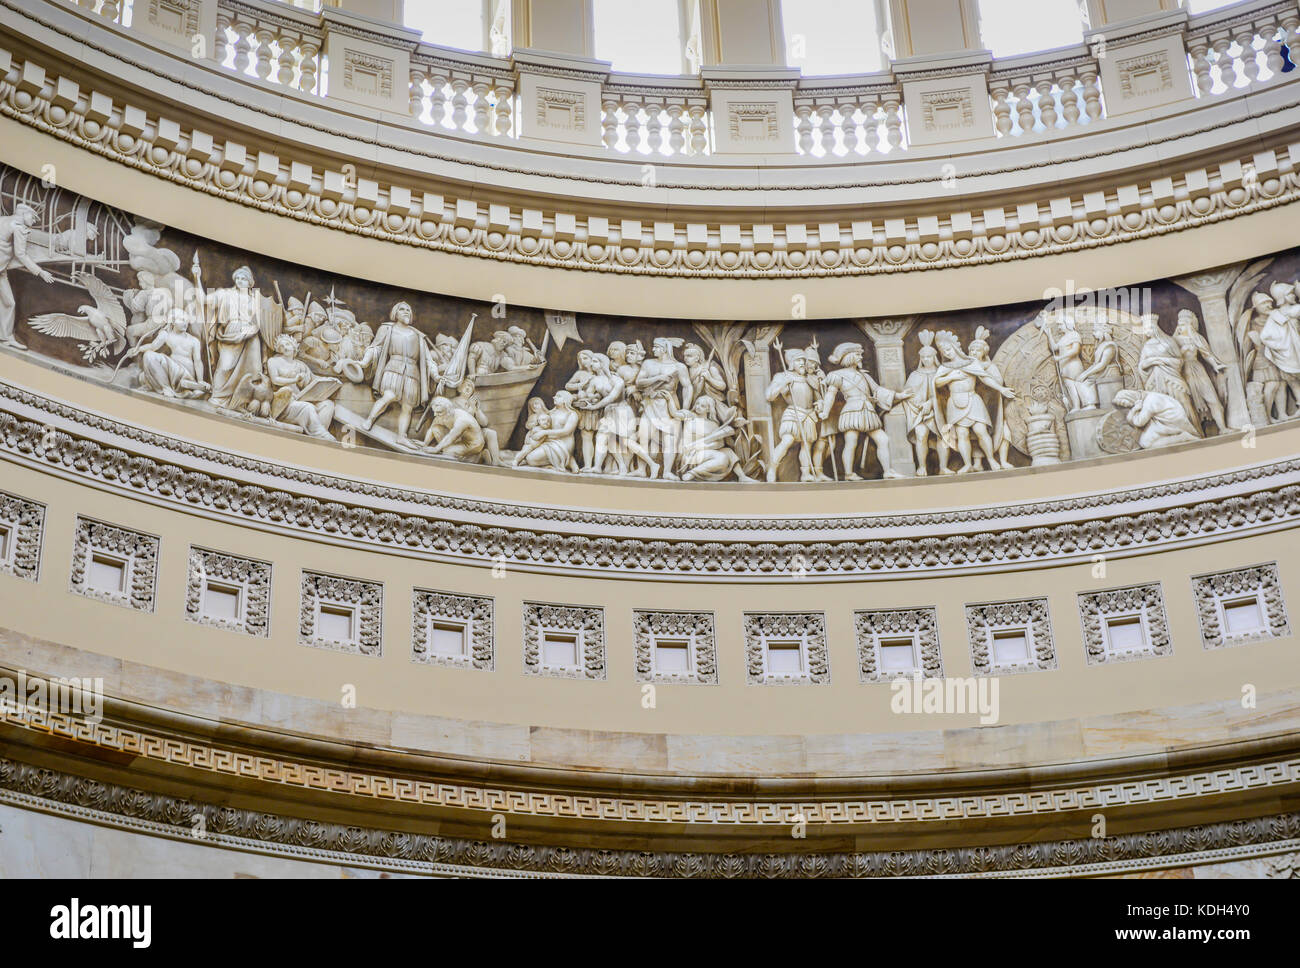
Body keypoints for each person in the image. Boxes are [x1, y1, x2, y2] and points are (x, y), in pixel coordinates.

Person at [819, 342, 910, 480]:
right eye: (857, 354)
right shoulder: (837, 375)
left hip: (867, 410)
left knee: (883, 439)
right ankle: (849, 474)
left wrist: (899, 396)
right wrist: (825, 411)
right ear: (848, 356)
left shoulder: (864, 375)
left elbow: (878, 391)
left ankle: (887, 471)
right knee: (851, 441)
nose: (861, 357)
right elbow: (830, 395)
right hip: (851, 410)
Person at [932, 330, 1016, 474]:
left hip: (973, 400)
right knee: (962, 434)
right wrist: (951, 377)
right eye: (943, 351)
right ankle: (967, 464)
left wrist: (1001, 389)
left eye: (948, 349)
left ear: (955, 347)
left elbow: (985, 377)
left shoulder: (971, 362)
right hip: (955, 403)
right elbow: (937, 383)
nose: (946, 353)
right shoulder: (944, 367)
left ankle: (991, 459)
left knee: (980, 431)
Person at [354, 301, 437, 443]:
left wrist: (436, 375)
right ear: (395, 313)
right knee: (388, 396)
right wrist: (364, 362)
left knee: (407, 407)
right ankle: (369, 420)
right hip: (393, 368)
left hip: (412, 373)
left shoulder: (418, 335)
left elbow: (428, 360)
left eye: (408, 310)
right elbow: (376, 348)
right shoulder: (387, 329)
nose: (406, 312)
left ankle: (401, 436)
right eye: (402, 309)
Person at [202, 265, 267, 408]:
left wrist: (249, 331)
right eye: (237, 278)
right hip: (232, 330)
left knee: (250, 369)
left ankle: (240, 402)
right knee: (225, 366)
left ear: (250, 282)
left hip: (250, 336)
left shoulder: (256, 299)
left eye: (243, 278)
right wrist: (196, 277)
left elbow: (260, 321)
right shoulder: (225, 294)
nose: (239, 281)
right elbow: (205, 300)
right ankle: (219, 396)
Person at [635, 337, 693, 480]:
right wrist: (658, 378)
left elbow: (687, 387)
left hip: (670, 405)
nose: (653, 349)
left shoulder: (679, 367)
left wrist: (684, 410)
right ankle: (641, 470)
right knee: (643, 436)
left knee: (670, 440)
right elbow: (639, 383)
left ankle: (667, 471)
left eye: (656, 347)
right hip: (650, 403)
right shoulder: (648, 364)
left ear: (664, 349)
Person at [0, 202, 54, 350]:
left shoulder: (3, 219)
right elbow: (21, 254)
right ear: (25, 214)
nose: (34, 221)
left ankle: (6, 338)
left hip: (1, 270)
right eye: (33, 217)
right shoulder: (18, 227)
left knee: (9, 303)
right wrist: (40, 271)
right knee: (8, 303)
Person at [765, 347, 822, 482]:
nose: (802, 363)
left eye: (803, 360)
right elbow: (769, 396)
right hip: (793, 413)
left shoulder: (809, 378)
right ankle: (772, 469)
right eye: (798, 360)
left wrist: (820, 403)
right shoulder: (783, 376)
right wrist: (783, 384)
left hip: (809, 414)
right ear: (791, 362)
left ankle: (805, 473)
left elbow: (817, 396)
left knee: (807, 445)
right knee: (787, 440)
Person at [901, 330, 953, 476]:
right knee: (920, 433)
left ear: (934, 356)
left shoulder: (941, 372)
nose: (926, 359)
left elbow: (948, 393)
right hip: (920, 412)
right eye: (923, 357)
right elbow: (908, 394)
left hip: (940, 411)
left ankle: (943, 467)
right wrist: (920, 405)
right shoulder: (915, 375)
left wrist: (931, 403)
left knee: (943, 435)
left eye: (929, 356)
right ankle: (922, 466)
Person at [1137, 316, 1199, 434]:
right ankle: (1172, 434)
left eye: (1148, 328)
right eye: (1144, 329)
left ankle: (1194, 432)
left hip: (1172, 379)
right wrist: (1153, 361)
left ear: (1155, 328)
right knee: (1161, 409)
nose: (1146, 332)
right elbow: (1142, 366)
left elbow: (1179, 362)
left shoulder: (1169, 342)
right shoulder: (1146, 346)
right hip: (1154, 382)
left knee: (1183, 403)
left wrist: (1161, 360)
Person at [266, 333, 339, 433]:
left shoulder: (300, 365)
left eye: (287, 344)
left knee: (328, 404)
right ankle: (320, 434)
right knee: (307, 408)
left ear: (293, 345)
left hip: (300, 399)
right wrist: (294, 380)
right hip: (285, 404)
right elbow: (275, 379)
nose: (285, 348)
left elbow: (313, 380)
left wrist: (329, 381)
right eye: (281, 347)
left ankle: (318, 435)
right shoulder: (274, 361)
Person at [1172, 309, 1230, 433]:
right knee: (1189, 404)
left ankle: (1223, 428)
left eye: (1183, 324)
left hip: (1198, 370)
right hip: (1184, 373)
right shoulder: (1174, 341)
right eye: (1179, 324)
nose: (1180, 327)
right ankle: (1197, 433)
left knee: (1212, 399)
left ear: (1190, 324)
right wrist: (1183, 351)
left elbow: (1206, 353)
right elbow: (1172, 360)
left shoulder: (1196, 338)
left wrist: (1215, 365)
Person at [130, 308, 209, 398]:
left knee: (148, 363)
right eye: (182, 320)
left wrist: (200, 381)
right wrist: (137, 349)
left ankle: (166, 387)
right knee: (147, 360)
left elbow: (198, 362)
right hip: (172, 371)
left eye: (186, 321)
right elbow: (153, 347)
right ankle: (167, 387)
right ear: (173, 321)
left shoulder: (194, 341)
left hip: (185, 373)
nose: (185, 323)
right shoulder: (166, 335)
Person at [965, 327, 1014, 470]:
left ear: (984, 353)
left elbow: (998, 381)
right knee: (975, 434)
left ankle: (1003, 460)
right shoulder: (966, 366)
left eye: (977, 350)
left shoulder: (990, 366)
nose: (974, 352)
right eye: (971, 350)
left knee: (1002, 431)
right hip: (975, 404)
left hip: (992, 403)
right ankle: (977, 463)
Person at [679, 396, 753, 482]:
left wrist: (705, 446)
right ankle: (692, 473)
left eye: (702, 406)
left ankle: (742, 476)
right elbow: (687, 444)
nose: (698, 407)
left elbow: (720, 444)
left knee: (728, 451)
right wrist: (706, 444)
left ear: (708, 409)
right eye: (697, 404)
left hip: (705, 450)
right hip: (692, 455)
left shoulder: (714, 424)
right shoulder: (691, 422)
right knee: (722, 458)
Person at [1036, 315, 1098, 411]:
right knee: (1070, 387)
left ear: (1067, 324)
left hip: (1073, 365)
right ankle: (1076, 406)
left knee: (1079, 384)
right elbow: (1054, 348)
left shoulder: (1074, 335)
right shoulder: (1064, 337)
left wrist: (1060, 357)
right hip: (1064, 366)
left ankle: (1089, 404)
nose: (1059, 327)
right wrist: (1049, 334)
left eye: (1061, 324)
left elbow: (1075, 351)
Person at [1114, 388, 1200, 449]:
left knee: (1146, 443)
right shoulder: (1148, 397)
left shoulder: (1150, 400)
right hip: (1162, 421)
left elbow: (1139, 422)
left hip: (1171, 423)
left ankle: (1183, 437)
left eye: (1129, 405)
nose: (1129, 407)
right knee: (1145, 439)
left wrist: (1134, 410)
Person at [515, 390, 578, 471]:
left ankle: (568, 460)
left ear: (565, 399)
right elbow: (541, 425)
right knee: (530, 458)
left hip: (563, 443)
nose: (554, 397)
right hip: (548, 441)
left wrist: (544, 432)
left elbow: (566, 431)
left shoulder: (572, 414)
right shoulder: (551, 412)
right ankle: (556, 463)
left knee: (531, 459)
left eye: (558, 396)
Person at [424, 397, 488, 462]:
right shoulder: (442, 415)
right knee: (436, 428)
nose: (435, 415)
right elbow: (432, 428)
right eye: (434, 412)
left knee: (447, 453)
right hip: (460, 441)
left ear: (448, 410)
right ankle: (453, 450)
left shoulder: (461, 419)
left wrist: (436, 449)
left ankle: (479, 456)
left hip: (473, 444)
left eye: (438, 412)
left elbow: (451, 437)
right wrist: (425, 444)